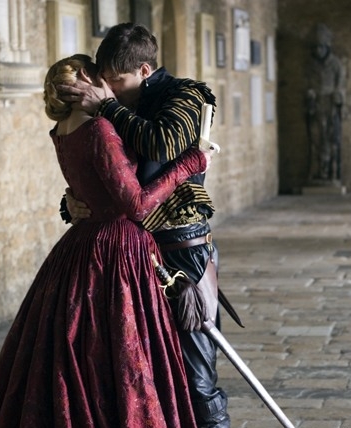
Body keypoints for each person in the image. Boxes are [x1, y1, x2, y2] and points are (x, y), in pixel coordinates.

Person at [0, 54, 212, 428]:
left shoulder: (61, 130)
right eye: (100, 76)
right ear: (87, 78)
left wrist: (74, 200)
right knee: (122, 357)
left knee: (79, 349)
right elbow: (136, 205)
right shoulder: (100, 128)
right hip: (118, 249)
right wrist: (190, 164)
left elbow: (90, 184)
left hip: (80, 245)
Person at [57, 23, 233, 428]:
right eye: (106, 82)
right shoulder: (116, 104)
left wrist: (107, 107)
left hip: (182, 250)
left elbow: (161, 144)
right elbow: (108, 173)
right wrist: (75, 203)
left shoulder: (186, 95)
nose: (111, 90)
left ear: (144, 70)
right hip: (131, 256)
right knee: (146, 378)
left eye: (117, 81)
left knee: (196, 378)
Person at [306, 23, 346, 182]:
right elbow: (307, 81)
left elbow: (340, 83)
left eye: (321, 47)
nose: (318, 50)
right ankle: (318, 169)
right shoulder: (311, 65)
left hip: (330, 102)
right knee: (316, 137)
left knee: (331, 137)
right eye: (316, 47)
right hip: (317, 102)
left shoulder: (335, 64)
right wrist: (309, 92)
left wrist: (338, 95)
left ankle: (332, 170)